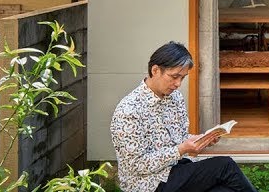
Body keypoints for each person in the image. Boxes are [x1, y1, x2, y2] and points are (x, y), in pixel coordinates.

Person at [110, 42, 257, 192]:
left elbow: (179, 138)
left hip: (177, 170)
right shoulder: (129, 110)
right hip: (148, 183)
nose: (178, 84)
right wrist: (180, 150)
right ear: (155, 70)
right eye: (174, 77)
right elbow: (136, 165)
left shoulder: (175, 98)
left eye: (182, 78)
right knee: (225, 166)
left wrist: (202, 140)